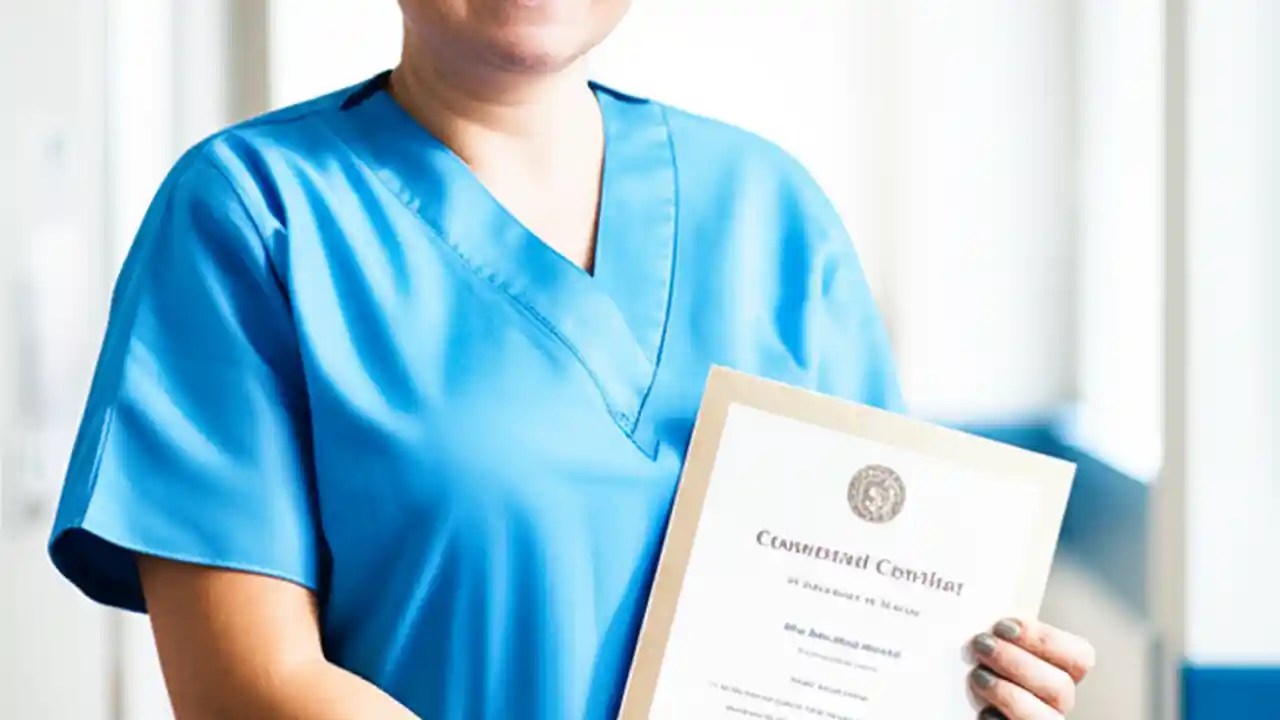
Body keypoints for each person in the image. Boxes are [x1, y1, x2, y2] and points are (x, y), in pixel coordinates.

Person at [47, 1, 1095, 718]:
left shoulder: (772, 213)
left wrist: (967, 686)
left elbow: (874, 630)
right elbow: (248, 689)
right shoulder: (254, 212)